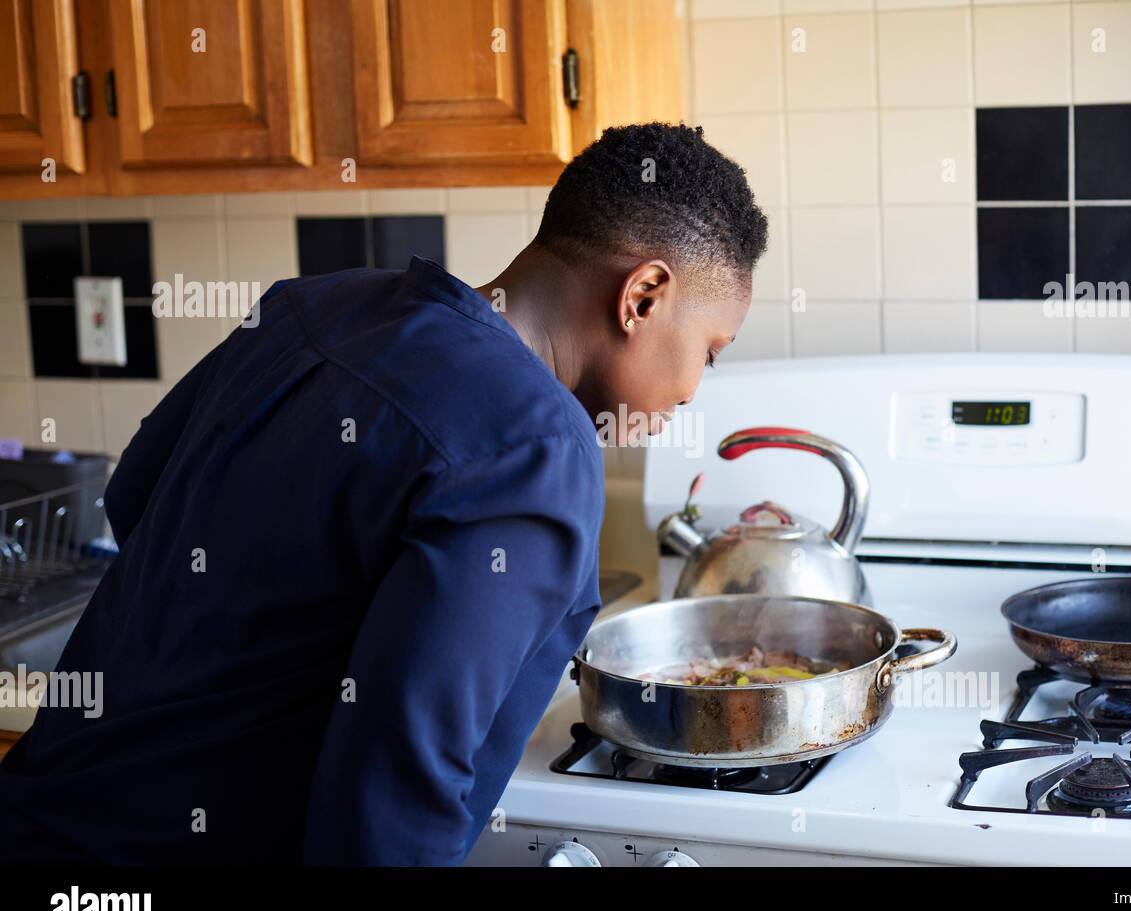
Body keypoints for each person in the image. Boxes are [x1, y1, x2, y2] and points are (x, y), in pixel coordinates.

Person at [0, 122, 768, 865]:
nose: (694, 391)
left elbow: (137, 494)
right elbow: (401, 776)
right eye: (709, 351)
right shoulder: (538, 445)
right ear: (642, 296)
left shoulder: (312, 306)